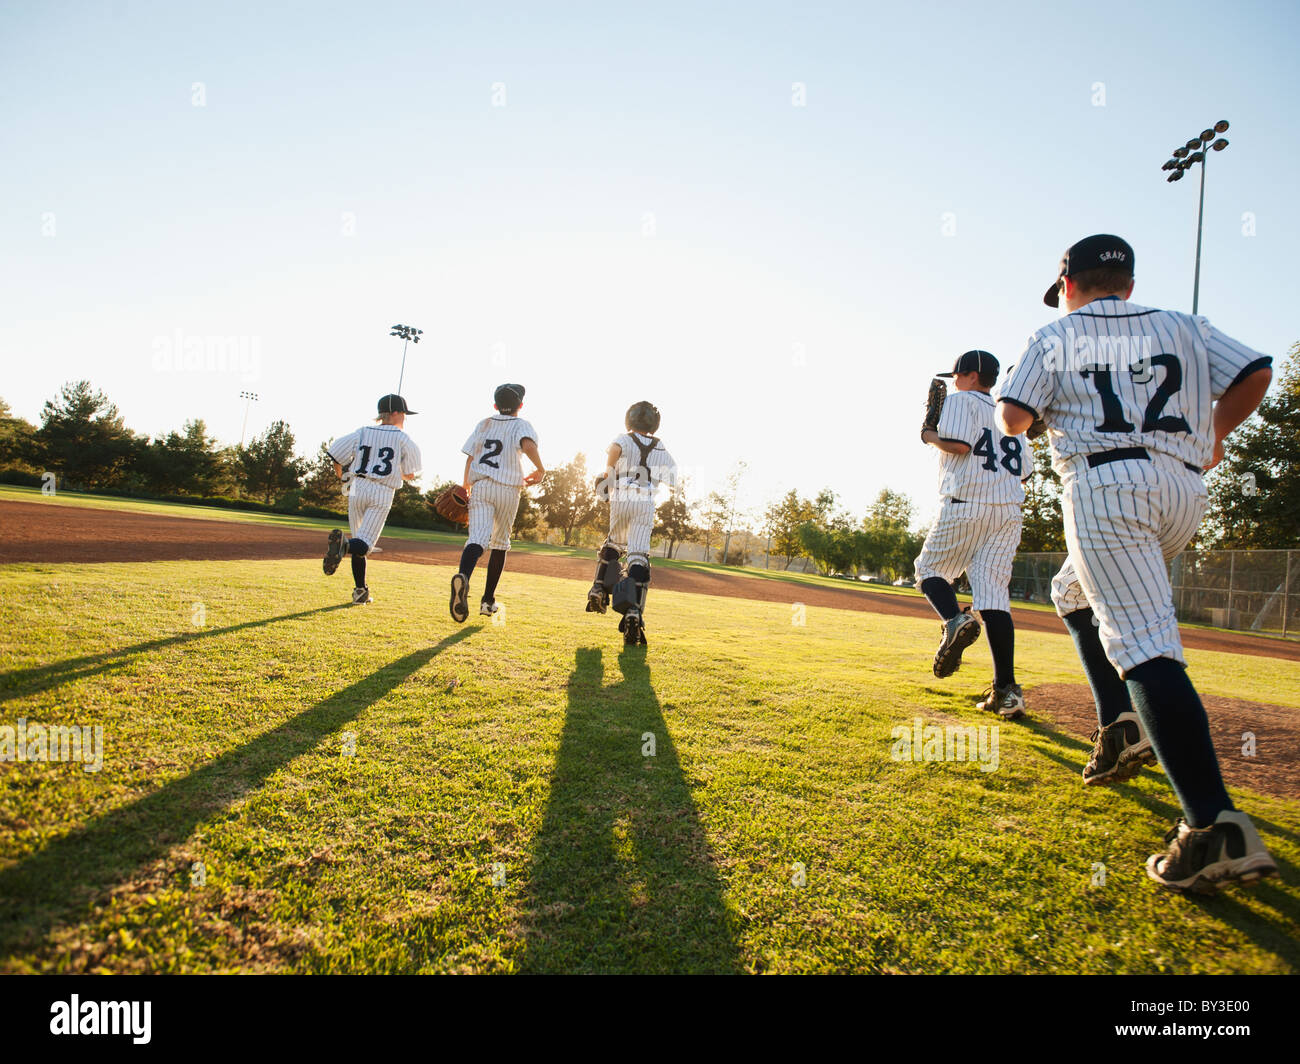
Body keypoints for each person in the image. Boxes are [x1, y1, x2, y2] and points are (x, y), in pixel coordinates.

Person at [996, 233, 1276, 893]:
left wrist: (1045, 413)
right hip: (1182, 490)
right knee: (1073, 591)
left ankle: (1211, 826)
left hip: (1106, 488)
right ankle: (1120, 725)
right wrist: (1214, 439)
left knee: (1144, 640)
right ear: (1126, 281)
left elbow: (1011, 417)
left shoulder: (1054, 334)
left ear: (1069, 284)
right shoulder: (1182, 324)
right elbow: (1257, 370)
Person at [916, 350, 1032, 718]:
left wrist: (929, 434)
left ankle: (954, 619)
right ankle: (1006, 692)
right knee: (994, 598)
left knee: (929, 570)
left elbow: (961, 446)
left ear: (966, 375)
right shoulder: (1006, 410)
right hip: (1008, 511)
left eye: (955, 376)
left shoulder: (959, 400)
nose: (952, 383)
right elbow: (1026, 471)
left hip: (967, 502)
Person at [450, 383, 544, 622]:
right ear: (520, 405)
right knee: (500, 543)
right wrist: (541, 469)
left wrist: (465, 486)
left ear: (495, 405)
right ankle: (487, 601)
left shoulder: (483, 423)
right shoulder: (522, 424)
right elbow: (528, 445)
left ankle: (464, 576)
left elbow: (471, 457)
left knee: (477, 539)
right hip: (508, 488)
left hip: (480, 485)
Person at [587, 401, 678, 647]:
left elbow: (615, 448)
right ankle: (634, 612)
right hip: (645, 497)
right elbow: (673, 478)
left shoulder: (624, 438)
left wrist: (608, 474)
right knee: (638, 555)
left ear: (629, 419)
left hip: (622, 492)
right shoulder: (660, 446)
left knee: (614, 543)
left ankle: (597, 588)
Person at [322, 394, 422, 605]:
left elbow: (335, 453)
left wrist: (341, 475)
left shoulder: (362, 431)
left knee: (359, 542)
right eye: (404, 413)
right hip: (382, 491)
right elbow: (412, 473)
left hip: (357, 488)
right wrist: (398, 473)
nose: (405, 417)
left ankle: (360, 591)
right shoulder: (403, 438)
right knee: (363, 545)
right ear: (395, 413)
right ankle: (344, 545)